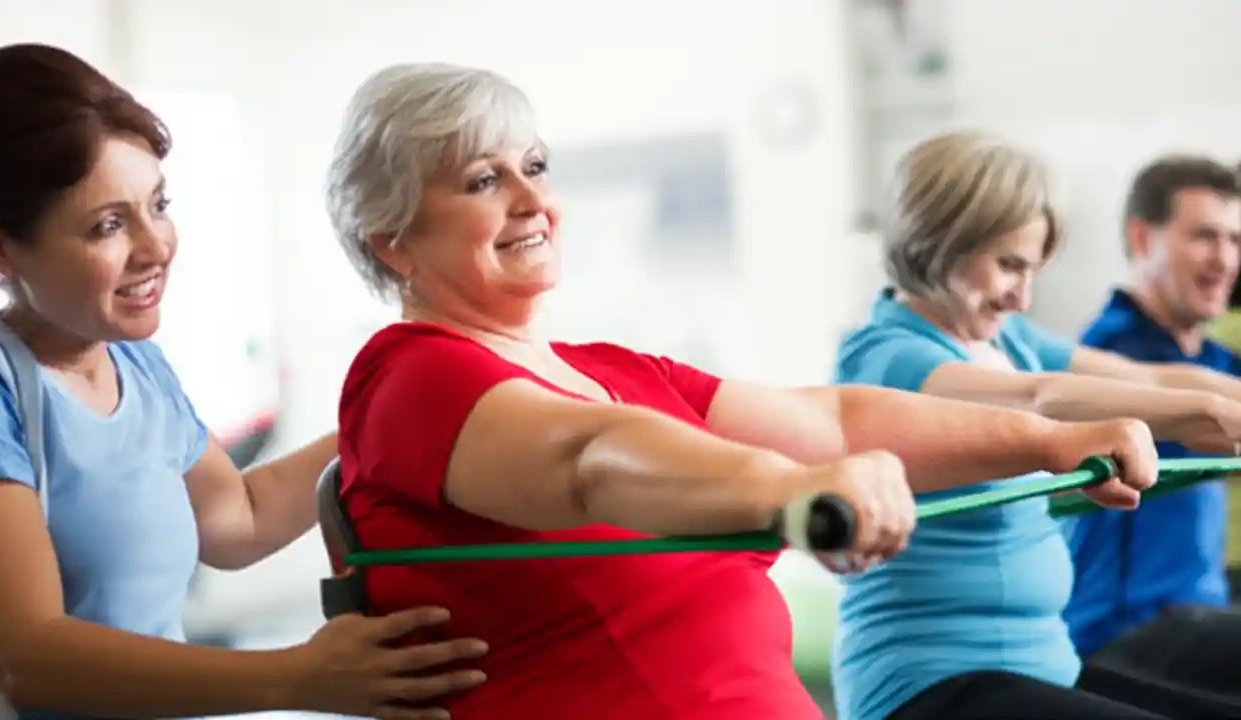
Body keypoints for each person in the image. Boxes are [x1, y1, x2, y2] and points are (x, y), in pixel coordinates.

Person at [326, 63, 1160, 720]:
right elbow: (589, 459)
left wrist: (1051, 444)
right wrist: (787, 488)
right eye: (482, 181)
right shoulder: (412, 373)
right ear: (393, 241)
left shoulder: (616, 369)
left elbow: (832, 421)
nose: (533, 200)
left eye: (536, 167)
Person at [0, 43, 488, 720]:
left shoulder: (133, 362)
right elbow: (25, 655)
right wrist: (295, 677)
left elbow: (236, 518)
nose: (156, 248)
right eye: (109, 225)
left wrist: (391, 421)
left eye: (158, 204)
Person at [833, 130, 1241, 720]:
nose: (1023, 297)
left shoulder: (1005, 339)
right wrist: (1194, 415)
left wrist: (1213, 399)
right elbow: (1036, 401)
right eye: (1008, 266)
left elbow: (1148, 378)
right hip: (932, 685)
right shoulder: (887, 356)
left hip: (1042, 668)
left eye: (1034, 270)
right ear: (943, 240)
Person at [1062, 154, 1241, 711]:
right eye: (1205, 237)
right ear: (1143, 237)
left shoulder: (1212, 356)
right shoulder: (1112, 351)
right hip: (1122, 632)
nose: (1225, 259)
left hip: (1199, 612)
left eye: (1235, 240)